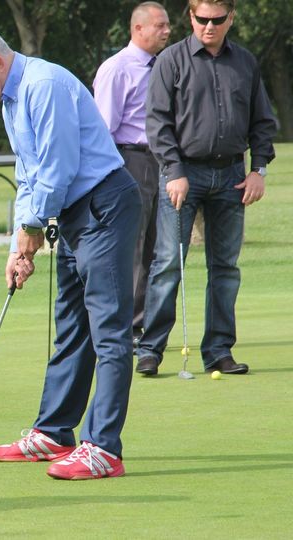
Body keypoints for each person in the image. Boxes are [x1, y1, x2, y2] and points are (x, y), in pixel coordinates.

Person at [0, 25, 141, 480]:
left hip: (104, 204)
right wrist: (20, 240)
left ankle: (103, 449)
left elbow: (58, 168)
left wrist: (33, 228)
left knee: (109, 331)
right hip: (72, 213)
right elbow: (28, 174)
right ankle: (54, 432)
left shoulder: (43, 84)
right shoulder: (11, 99)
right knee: (71, 327)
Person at [138, 0, 277, 376]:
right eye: (202, 19)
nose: (209, 26)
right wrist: (173, 169)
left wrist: (258, 169)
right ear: (191, 16)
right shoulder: (171, 60)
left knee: (225, 267)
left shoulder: (245, 62)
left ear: (231, 17)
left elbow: (262, 121)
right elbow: (158, 122)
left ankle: (218, 351)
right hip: (183, 173)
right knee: (168, 263)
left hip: (232, 175)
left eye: (217, 19)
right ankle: (150, 350)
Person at [92, 1, 170, 358]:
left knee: (156, 248)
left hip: (162, 161)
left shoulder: (163, 65)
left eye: (167, 25)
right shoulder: (117, 68)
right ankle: (127, 327)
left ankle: (146, 324)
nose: (167, 31)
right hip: (130, 160)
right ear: (138, 29)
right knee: (134, 247)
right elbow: (103, 129)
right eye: (160, 25)